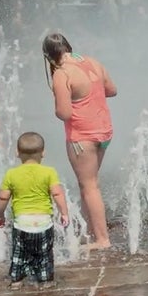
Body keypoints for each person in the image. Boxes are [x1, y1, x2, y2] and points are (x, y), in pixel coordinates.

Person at [43, 33, 116, 250]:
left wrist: (60, 103)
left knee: (90, 186)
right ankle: (91, 233)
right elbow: (112, 90)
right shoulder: (92, 62)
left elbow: (64, 113)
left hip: (82, 136)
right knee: (89, 184)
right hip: (104, 131)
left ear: (48, 56)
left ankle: (102, 239)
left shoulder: (62, 74)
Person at [0, 132, 69, 288]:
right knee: (44, 256)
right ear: (43, 153)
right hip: (44, 223)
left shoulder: (11, 174)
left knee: (19, 255)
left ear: (17, 153)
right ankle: (45, 281)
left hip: (22, 224)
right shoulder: (49, 172)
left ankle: (16, 281)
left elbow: (3, 197)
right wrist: (64, 213)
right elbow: (57, 193)